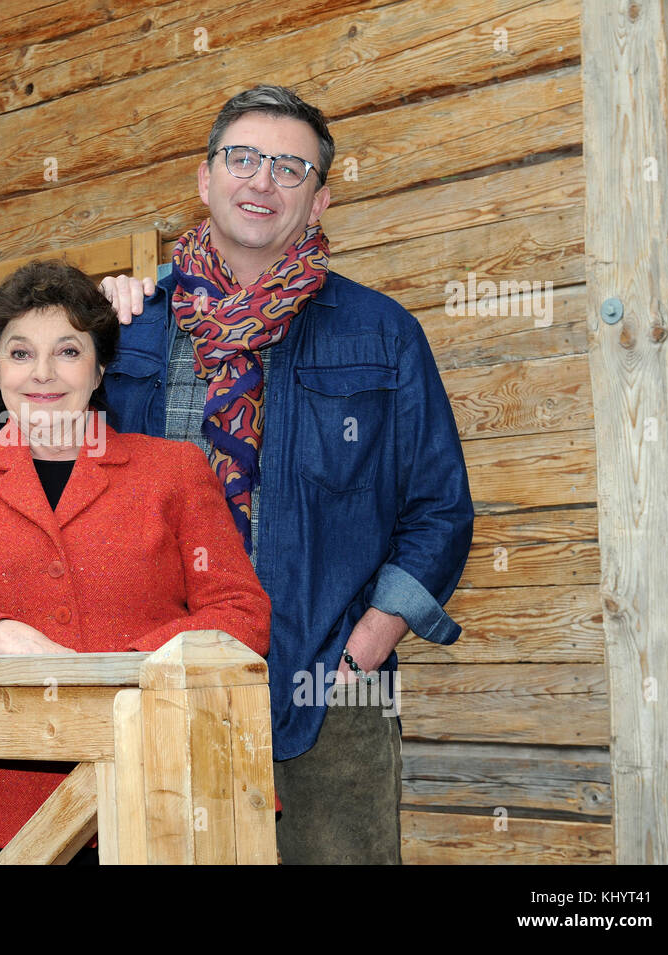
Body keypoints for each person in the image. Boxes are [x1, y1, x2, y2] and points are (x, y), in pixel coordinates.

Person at [98, 85, 474, 863]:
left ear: (320, 198)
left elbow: (439, 508)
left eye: (289, 166)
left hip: (330, 697)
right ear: (205, 180)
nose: (262, 181)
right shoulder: (127, 329)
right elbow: (51, 461)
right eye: (243, 158)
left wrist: (365, 647)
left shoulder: (384, 333)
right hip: (152, 686)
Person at [0, 260, 273, 853]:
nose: (44, 374)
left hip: (173, 785)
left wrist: (123, 669)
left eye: (68, 351)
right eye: (21, 353)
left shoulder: (173, 469)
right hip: (14, 802)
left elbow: (242, 614)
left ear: (101, 364)